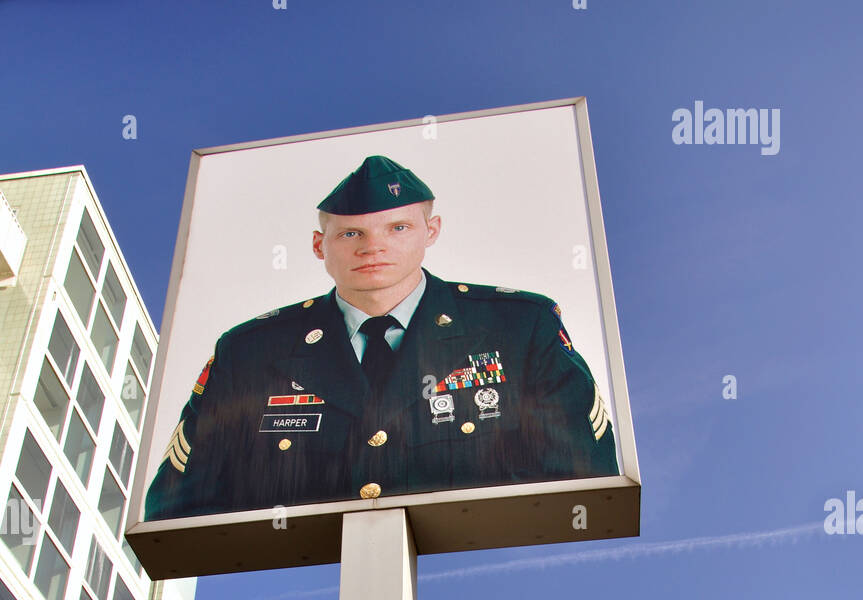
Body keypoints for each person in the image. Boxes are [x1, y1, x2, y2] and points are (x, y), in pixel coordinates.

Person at [145, 156, 619, 521]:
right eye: (351, 232)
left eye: (398, 227)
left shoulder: (518, 328)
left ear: (430, 231)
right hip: (305, 593)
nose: (373, 247)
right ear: (319, 245)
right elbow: (176, 509)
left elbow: (583, 485)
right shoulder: (249, 352)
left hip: (479, 577)